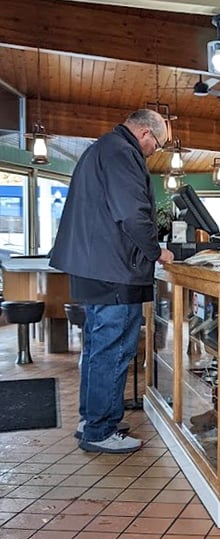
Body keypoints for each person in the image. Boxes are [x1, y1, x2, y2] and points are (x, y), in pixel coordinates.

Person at [50, 108, 174, 454]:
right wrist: (156, 251)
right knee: (114, 349)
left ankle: (92, 420)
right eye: (157, 146)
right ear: (146, 134)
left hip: (95, 268)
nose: (153, 153)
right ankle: (100, 430)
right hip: (114, 270)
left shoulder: (101, 147)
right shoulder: (122, 152)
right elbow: (132, 212)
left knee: (97, 347)